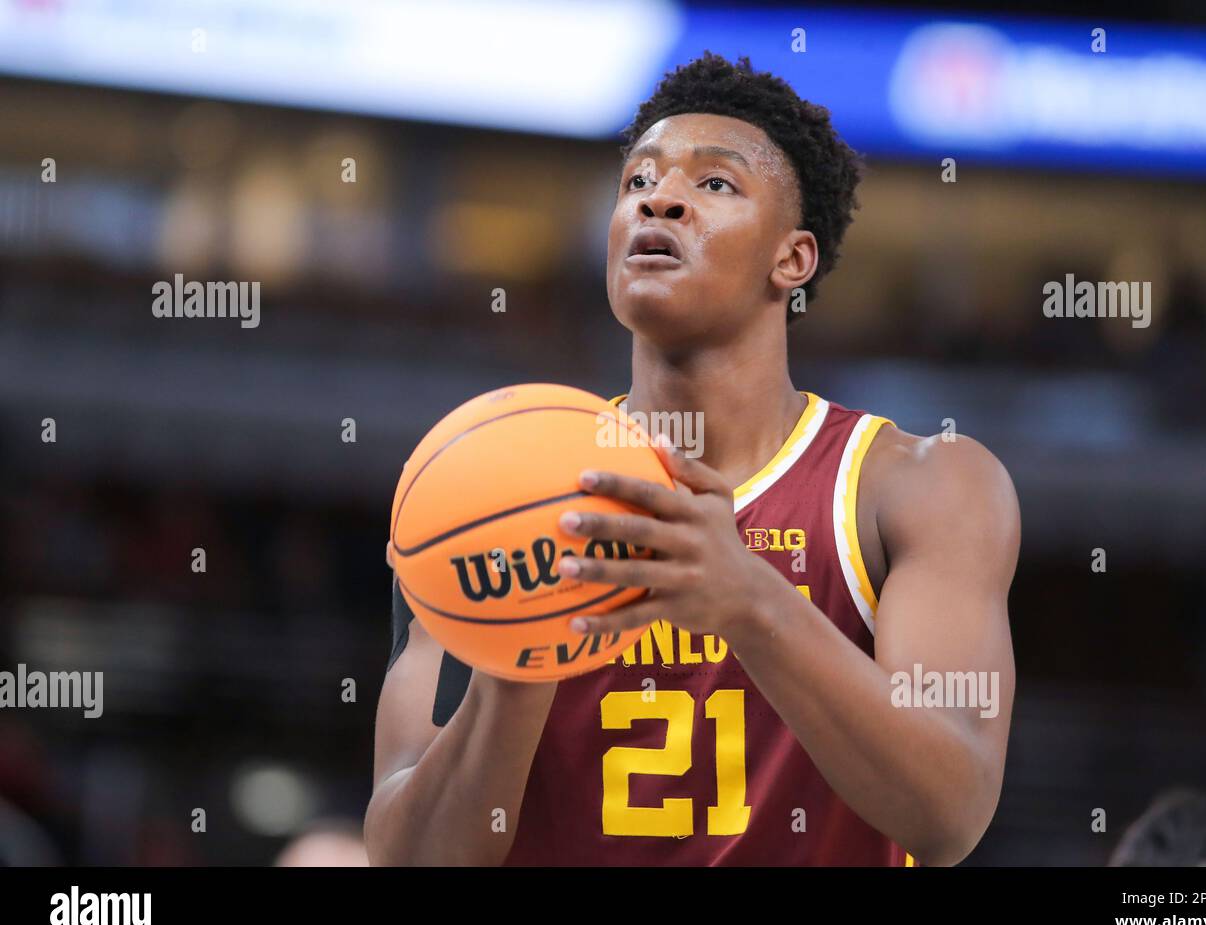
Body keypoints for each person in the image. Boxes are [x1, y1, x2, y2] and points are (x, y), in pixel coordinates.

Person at [365, 53, 1019, 866]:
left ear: (794, 259)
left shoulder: (919, 483)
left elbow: (949, 810)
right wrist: (521, 652)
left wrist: (750, 600)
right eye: (638, 180)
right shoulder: (483, 488)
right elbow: (411, 858)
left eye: (715, 185)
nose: (659, 197)